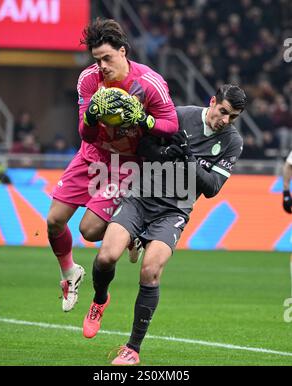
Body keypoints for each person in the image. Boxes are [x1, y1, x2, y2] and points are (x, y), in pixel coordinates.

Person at [82, 84, 247, 365]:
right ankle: (100, 300)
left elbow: (212, 188)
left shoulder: (232, 142)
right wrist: (167, 153)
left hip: (174, 210)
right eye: (223, 112)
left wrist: (188, 157)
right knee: (107, 256)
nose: (226, 121)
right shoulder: (180, 115)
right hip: (141, 195)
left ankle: (132, 349)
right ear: (213, 101)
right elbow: (144, 145)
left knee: (150, 270)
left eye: (232, 117)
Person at [46, 18, 178, 312]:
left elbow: (171, 125)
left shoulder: (149, 84)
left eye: (107, 58)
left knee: (90, 231)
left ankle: (129, 232)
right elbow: (85, 133)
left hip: (124, 164)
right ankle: (70, 273)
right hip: (91, 155)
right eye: (97, 60)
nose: (102, 66)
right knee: (54, 221)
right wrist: (92, 116)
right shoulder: (88, 80)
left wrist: (144, 120)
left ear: (123, 51)